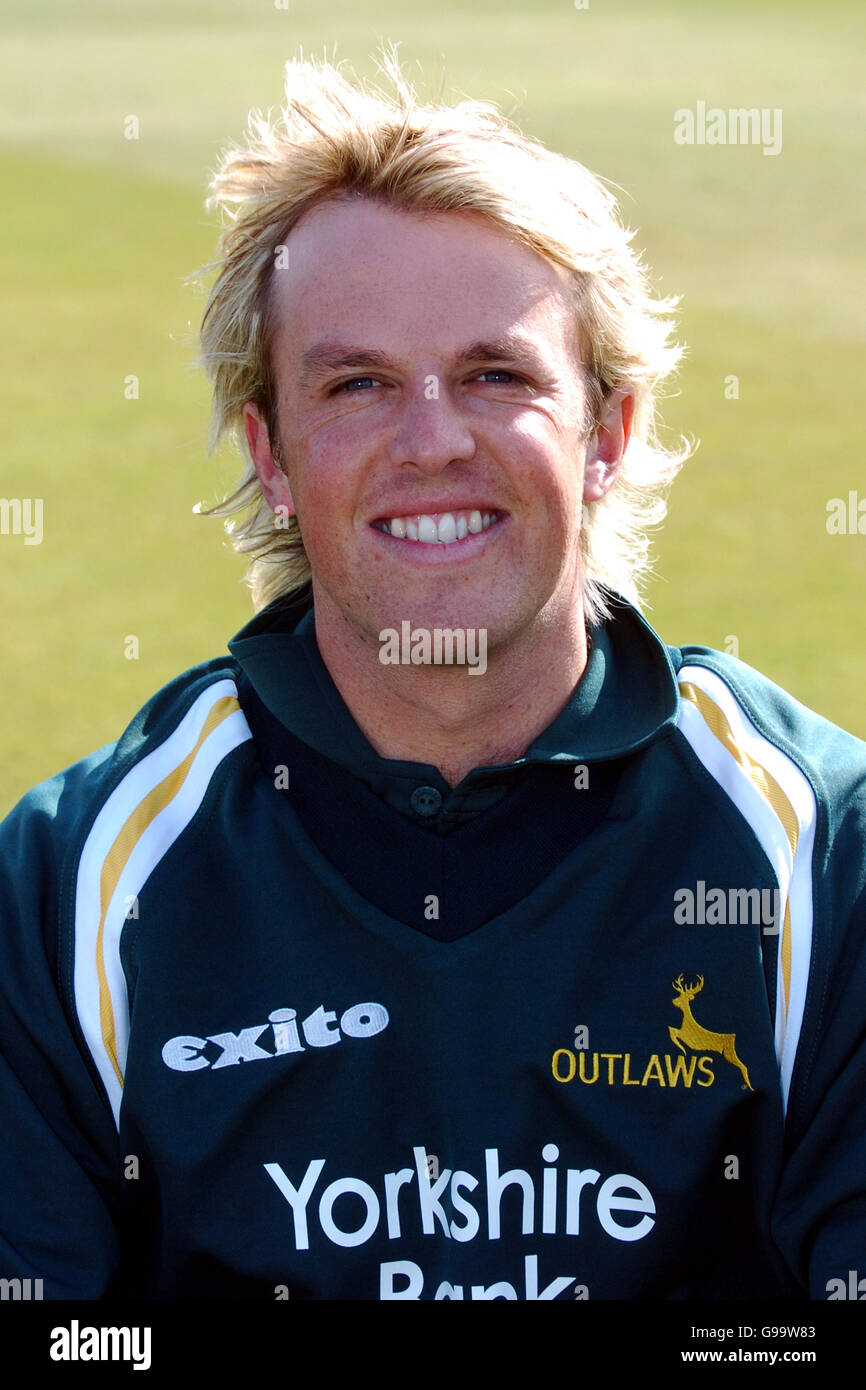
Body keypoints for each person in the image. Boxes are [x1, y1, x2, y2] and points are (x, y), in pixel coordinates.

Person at [1, 50, 864, 1303]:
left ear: (606, 433)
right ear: (274, 453)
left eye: (494, 375)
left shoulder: (820, 854)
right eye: (355, 384)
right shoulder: (69, 886)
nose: (431, 441)